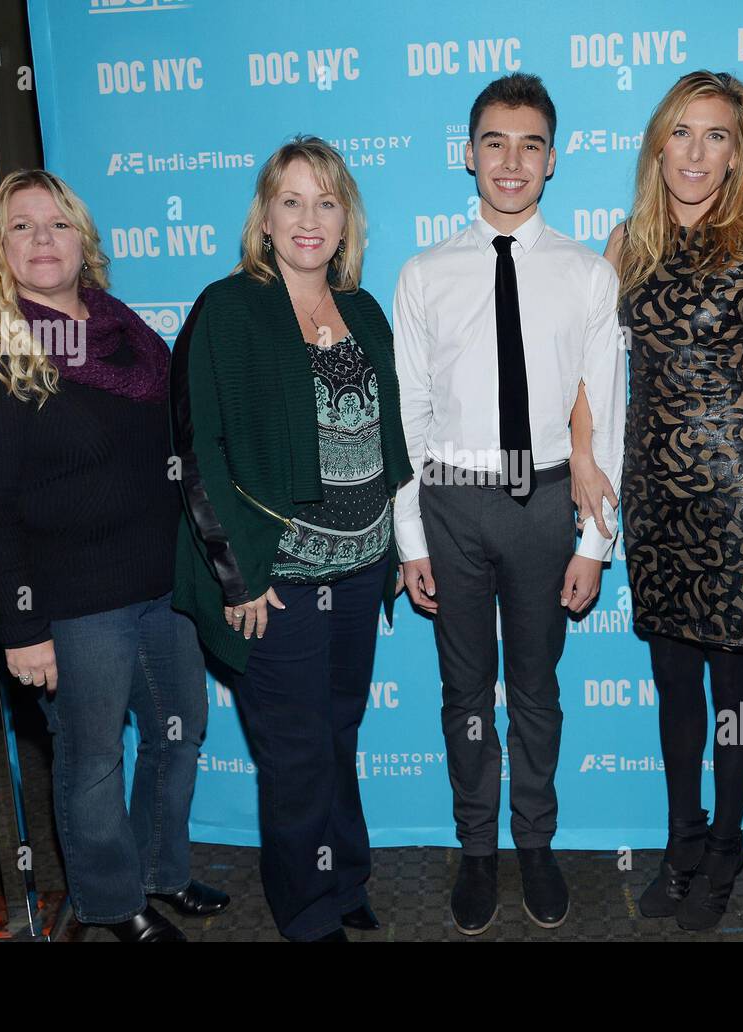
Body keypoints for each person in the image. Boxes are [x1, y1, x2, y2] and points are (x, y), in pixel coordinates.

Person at [0, 169, 226, 943]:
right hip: (70, 604)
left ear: (83, 242)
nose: (43, 239)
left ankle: (161, 872)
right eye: (22, 227)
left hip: (163, 584)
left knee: (179, 729)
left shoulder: (124, 334)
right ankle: (109, 903)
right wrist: (22, 629)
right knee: (93, 757)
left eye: (57, 224)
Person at [568, 71, 743, 931]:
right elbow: (592, 368)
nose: (696, 152)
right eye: (681, 133)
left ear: (737, 151)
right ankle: (683, 843)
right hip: (657, 499)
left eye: (715, 135)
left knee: (735, 687)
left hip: (741, 494)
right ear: (657, 143)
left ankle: (729, 844)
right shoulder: (626, 241)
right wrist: (586, 453)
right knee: (674, 686)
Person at [393, 72, 627, 935]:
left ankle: (535, 843)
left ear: (553, 159)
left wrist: (596, 546)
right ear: (468, 154)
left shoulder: (587, 274)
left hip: (546, 502)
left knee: (535, 691)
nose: (512, 160)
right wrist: (410, 535)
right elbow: (408, 414)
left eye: (530, 144)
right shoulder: (424, 274)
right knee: (465, 694)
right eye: (495, 141)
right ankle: (477, 850)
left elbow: (606, 415)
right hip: (449, 503)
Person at [172, 137, 411, 942]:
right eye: (293, 202)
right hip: (276, 579)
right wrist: (236, 575)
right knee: (296, 751)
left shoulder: (366, 310)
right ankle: (308, 914)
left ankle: (344, 880)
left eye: (327, 202)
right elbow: (198, 450)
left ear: (347, 221)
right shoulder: (228, 308)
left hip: (361, 570)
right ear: (265, 219)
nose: (310, 219)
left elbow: (391, 445)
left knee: (339, 733)